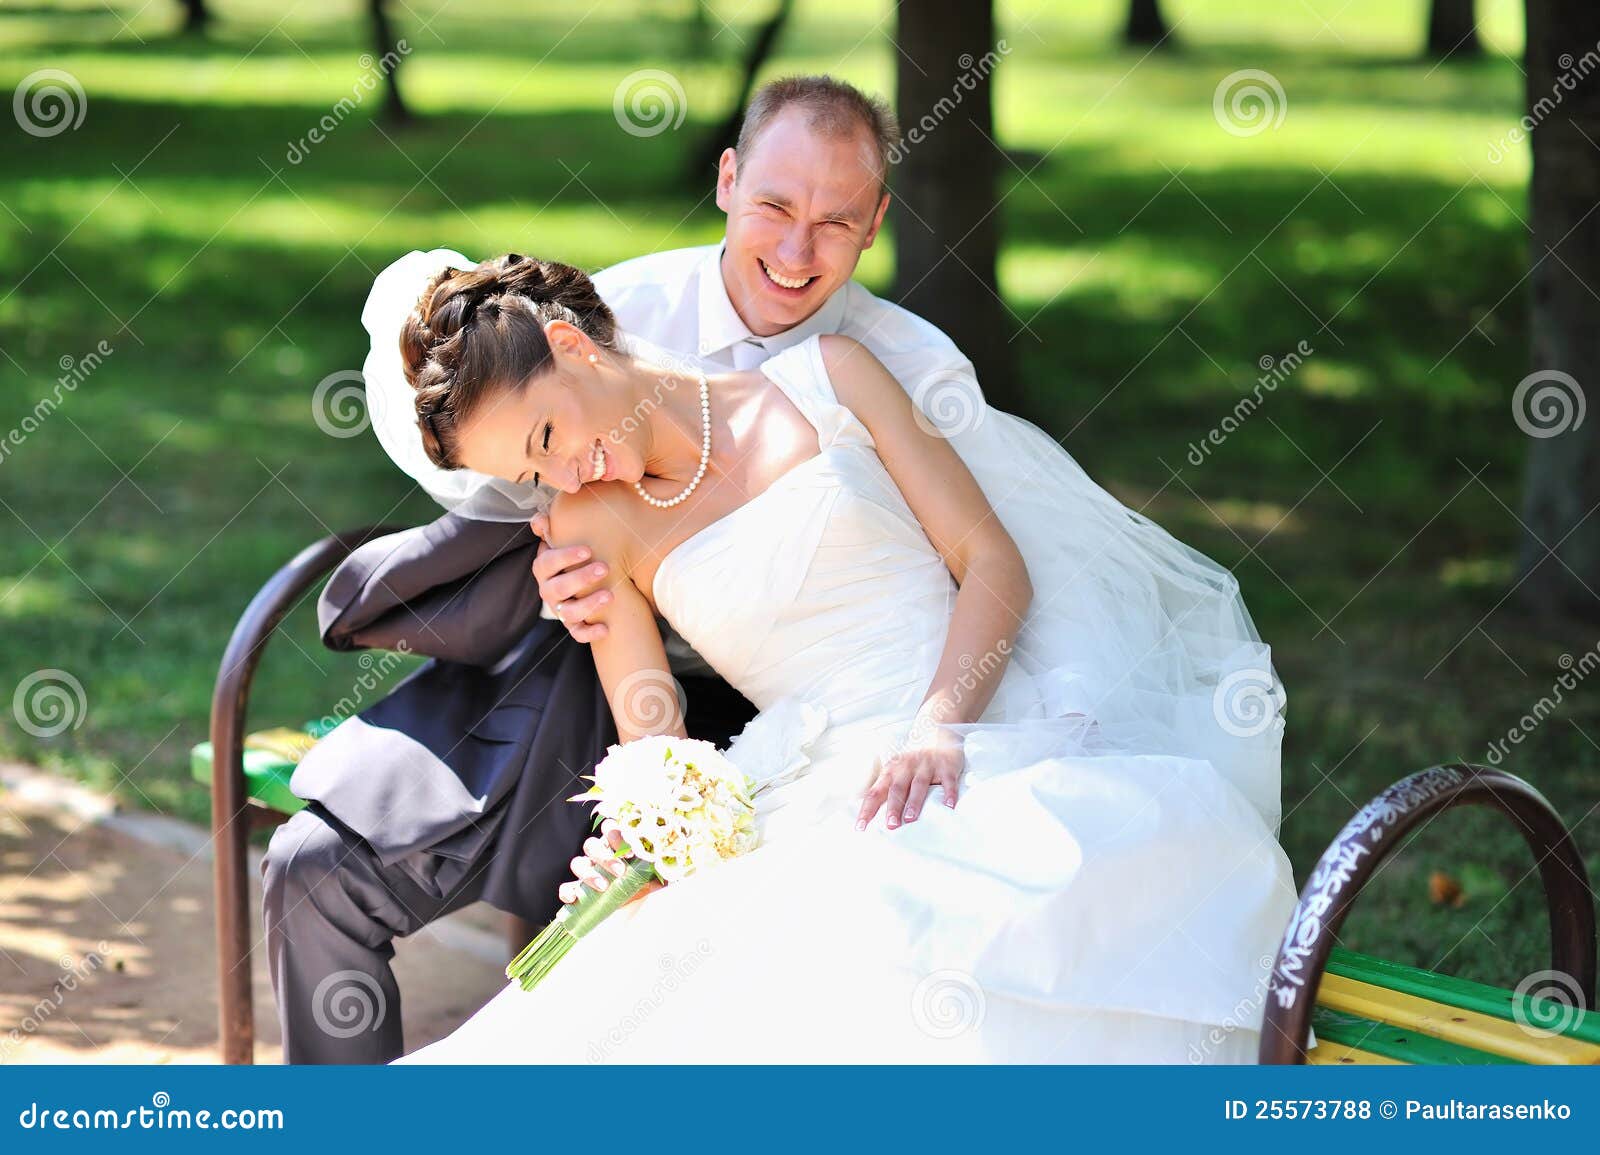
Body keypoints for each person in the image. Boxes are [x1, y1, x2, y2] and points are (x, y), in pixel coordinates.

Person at [385, 249, 1296, 1063]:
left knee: (948, 926)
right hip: (814, 784)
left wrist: (940, 730)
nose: (567, 476)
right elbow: (653, 737)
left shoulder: (831, 378)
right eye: (536, 474)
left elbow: (991, 562)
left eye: (548, 438)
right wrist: (640, 837)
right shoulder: (586, 523)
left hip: (978, 729)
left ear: (573, 347)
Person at [262, 76, 998, 1064]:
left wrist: (933, 725)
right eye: (775, 206)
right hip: (592, 681)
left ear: (876, 223)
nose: (793, 249)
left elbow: (982, 563)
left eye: (834, 221)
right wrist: (553, 578)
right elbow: (502, 482)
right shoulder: (616, 311)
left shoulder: (908, 367)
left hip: (835, 716)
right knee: (314, 869)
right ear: (728, 181)